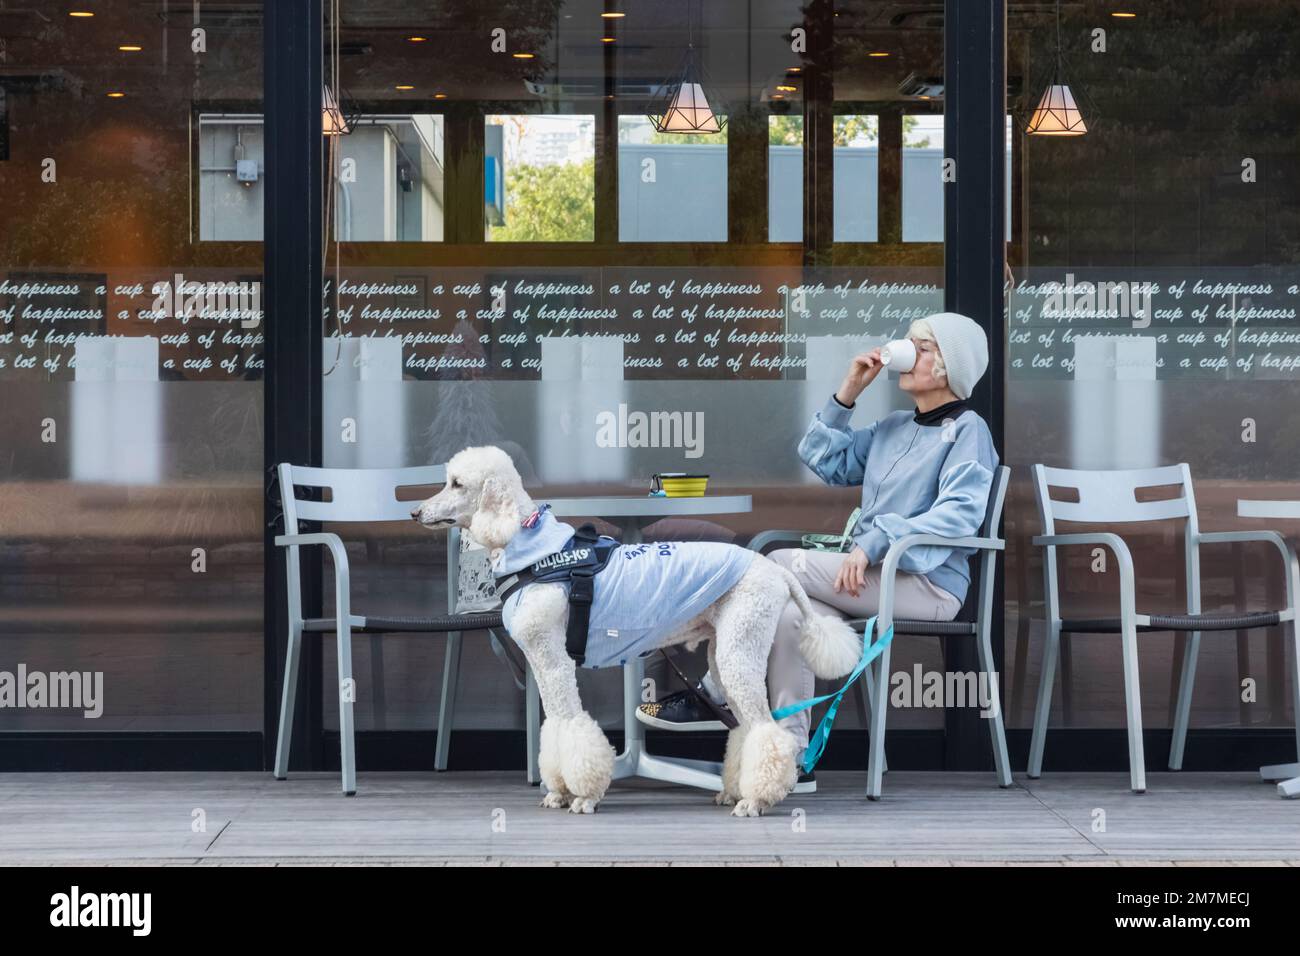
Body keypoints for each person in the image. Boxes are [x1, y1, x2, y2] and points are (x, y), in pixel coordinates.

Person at [635, 312, 999, 792]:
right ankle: (791, 759)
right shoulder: (892, 427)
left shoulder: (968, 431)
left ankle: (714, 690)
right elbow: (821, 457)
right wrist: (848, 391)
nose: (908, 352)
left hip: (925, 584)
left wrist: (871, 545)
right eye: (909, 343)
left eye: (923, 347)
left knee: (779, 565)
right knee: (788, 613)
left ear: (952, 366)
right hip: (866, 580)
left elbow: (957, 516)